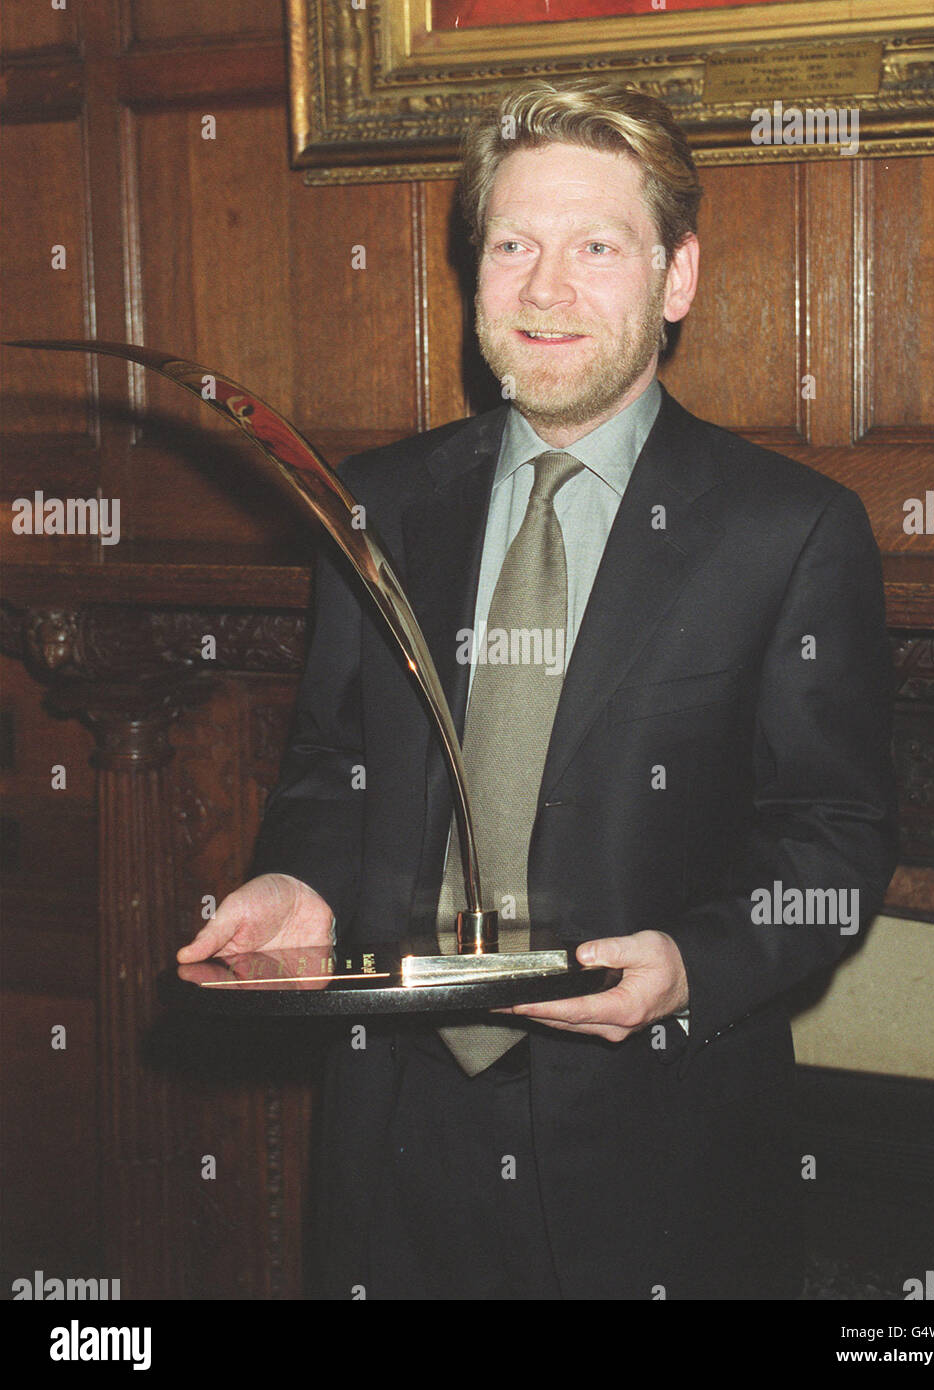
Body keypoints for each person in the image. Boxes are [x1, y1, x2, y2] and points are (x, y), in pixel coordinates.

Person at [179, 78, 897, 1300]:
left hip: (661, 1150)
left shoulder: (790, 532)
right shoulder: (374, 509)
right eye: (512, 244)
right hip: (395, 1140)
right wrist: (297, 880)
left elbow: (837, 842)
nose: (545, 288)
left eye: (595, 247)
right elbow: (330, 767)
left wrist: (692, 960)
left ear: (675, 280)